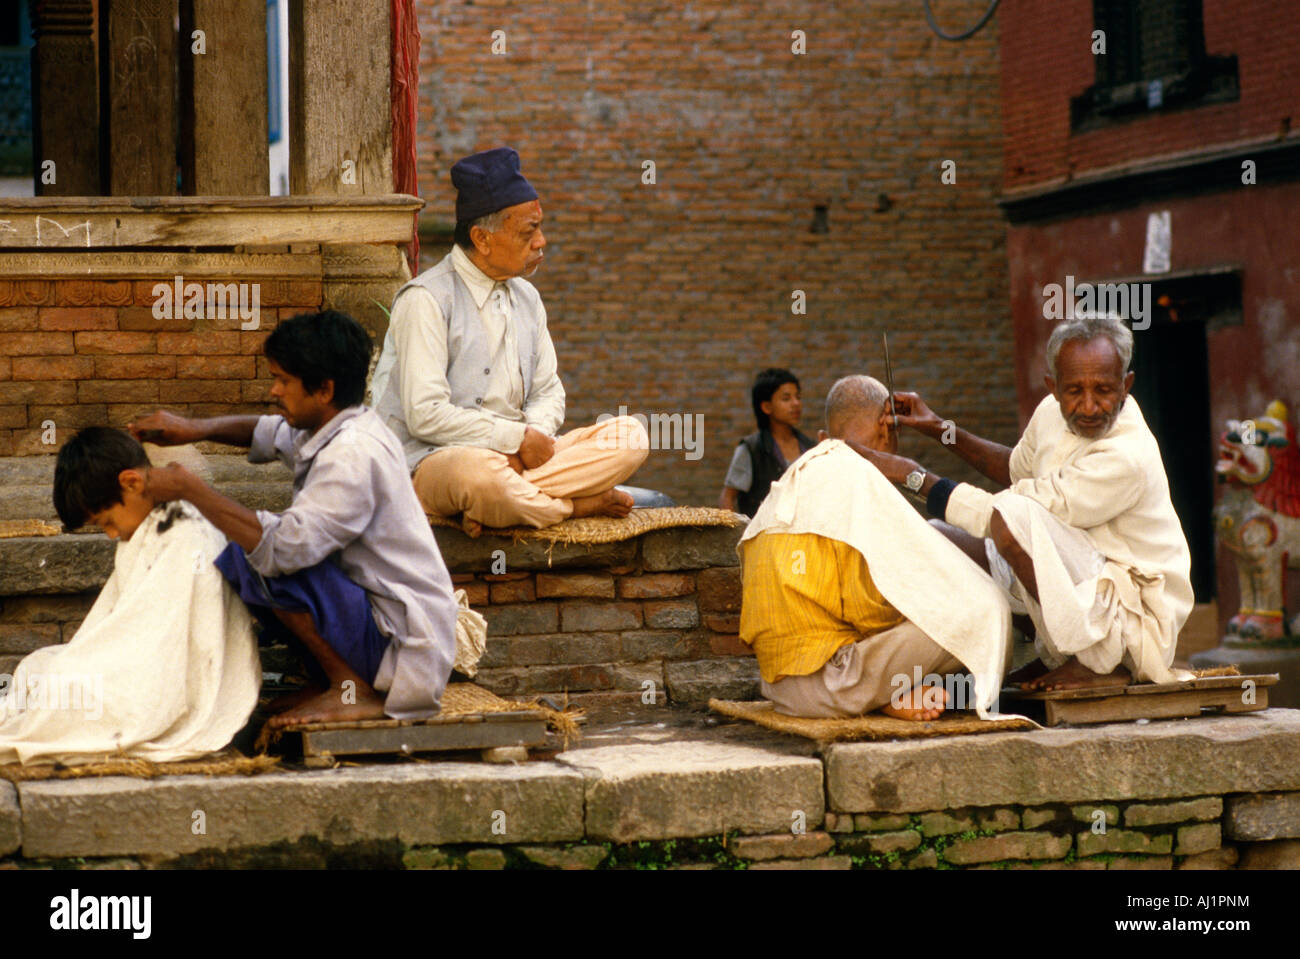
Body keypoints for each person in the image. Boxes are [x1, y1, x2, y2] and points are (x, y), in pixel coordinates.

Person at [129, 310, 461, 728]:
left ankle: (352, 688)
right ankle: (330, 680)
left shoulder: (352, 454)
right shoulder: (334, 422)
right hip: (379, 618)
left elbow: (285, 549)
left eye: (284, 381)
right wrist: (195, 429)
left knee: (261, 561)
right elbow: (266, 432)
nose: (274, 390)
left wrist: (189, 488)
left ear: (323, 389)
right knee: (253, 551)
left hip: (401, 639)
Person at [856, 314, 1193, 692]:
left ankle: (1097, 663)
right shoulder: (1050, 413)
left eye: (1104, 390)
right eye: (1073, 391)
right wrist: (939, 428)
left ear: (1126, 385)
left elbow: (1012, 515)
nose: (1088, 406)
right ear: (1052, 387)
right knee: (940, 539)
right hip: (1074, 574)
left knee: (1013, 522)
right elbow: (1017, 471)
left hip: (1132, 618)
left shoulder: (1125, 457)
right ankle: (1042, 652)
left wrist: (913, 477)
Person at [370, 146, 649, 536]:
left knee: (630, 435)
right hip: (437, 461)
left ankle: (503, 505)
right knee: (479, 476)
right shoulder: (426, 299)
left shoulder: (527, 298)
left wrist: (529, 444)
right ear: (482, 239)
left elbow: (549, 391)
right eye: (528, 231)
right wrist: (513, 439)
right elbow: (425, 412)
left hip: (520, 460)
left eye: (539, 228)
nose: (541, 242)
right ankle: (574, 506)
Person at [739, 375, 1013, 720]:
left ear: (826, 436)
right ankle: (887, 691)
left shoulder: (799, 473)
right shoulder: (857, 476)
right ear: (887, 428)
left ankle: (890, 694)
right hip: (832, 684)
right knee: (986, 610)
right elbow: (871, 610)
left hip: (778, 688)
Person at [0, 428, 261, 764]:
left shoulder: (188, 534)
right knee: (36, 668)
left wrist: (83, 666)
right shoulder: (142, 529)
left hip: (168, 682)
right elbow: (119, 625)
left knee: (64, 686)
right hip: (136, 662)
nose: (111, 534)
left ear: (132, 483)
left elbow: (165, 650)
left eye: (107, 521)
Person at [719, 368, 817, 515]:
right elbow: (727, 498)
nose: (796, 403)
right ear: (767, 407)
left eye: (798, 397)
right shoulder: (751, 450)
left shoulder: (811, 448)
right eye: (786, 398)